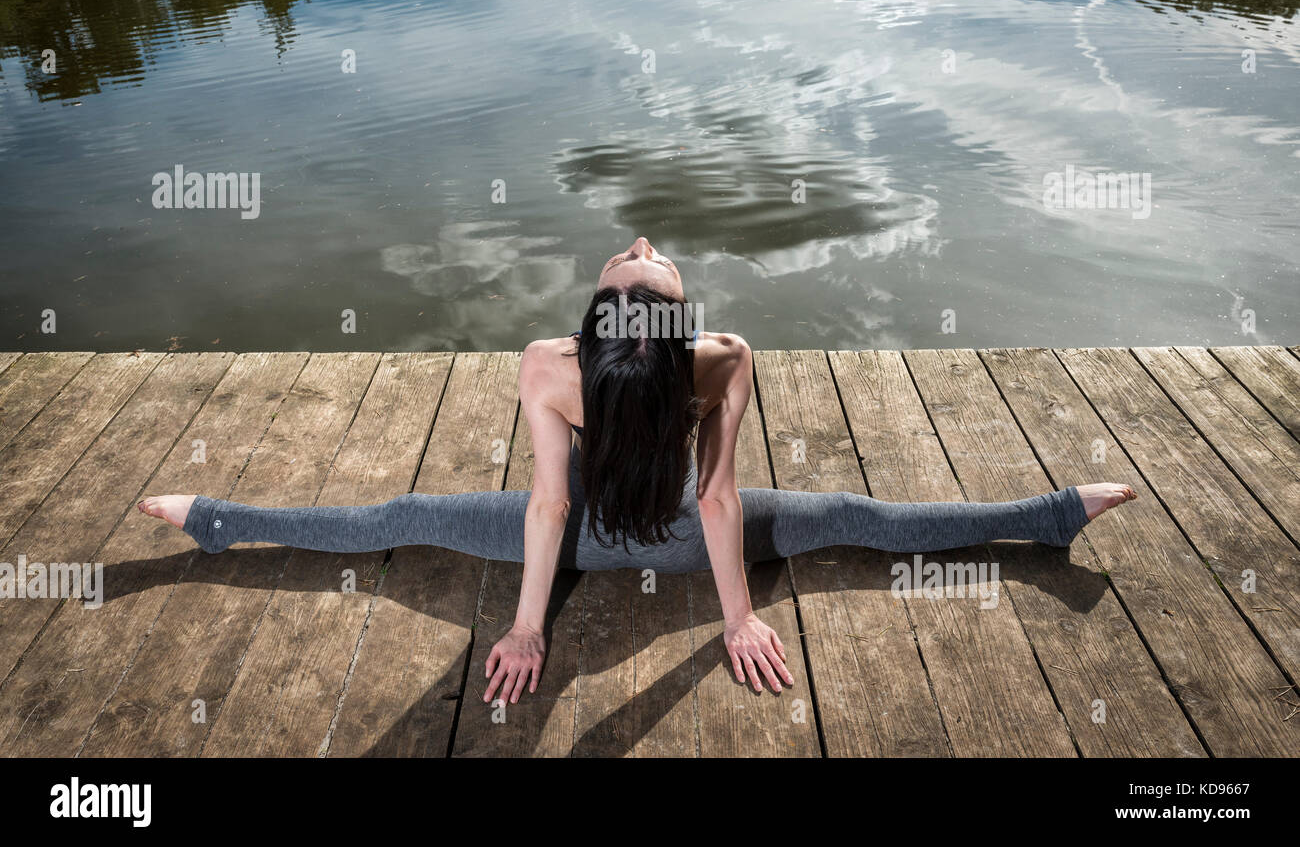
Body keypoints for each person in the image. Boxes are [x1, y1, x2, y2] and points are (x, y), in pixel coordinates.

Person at [139, 236, 1135, 705]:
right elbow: (716, 497)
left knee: (399, 513)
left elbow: (547, 504)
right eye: (642, 265)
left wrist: (529, 626)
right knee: (847, 511)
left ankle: (214, 520)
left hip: (584, 535)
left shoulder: (546, 364)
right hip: (687, 539)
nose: (642, 246)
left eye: (637, 265)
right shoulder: (724, 357)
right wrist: (733, 613)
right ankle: (1049, 518)